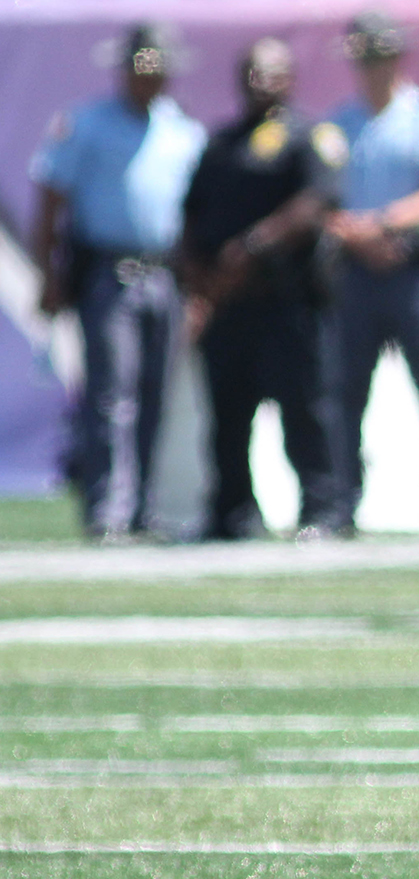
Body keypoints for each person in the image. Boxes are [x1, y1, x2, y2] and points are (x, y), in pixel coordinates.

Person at [28, 22, 206, 542]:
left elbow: (193, 214)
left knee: (154, 394)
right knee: (112, 394)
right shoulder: (86, 124)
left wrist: (196, 284)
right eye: (141, 68)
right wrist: (48, 273)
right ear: (123, 70)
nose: (149, 78)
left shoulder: (182, 130)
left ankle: (144, 506)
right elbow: (51, 198)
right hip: (109, 270)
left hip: (165, 273)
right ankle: (108, 507)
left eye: (158, 69)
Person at [179, 39, 345, 541]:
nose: (260, 81)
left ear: (290, 78)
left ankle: (321, 508)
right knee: (228, 416)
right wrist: (198, 273)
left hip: (286, 301)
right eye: (252, 71)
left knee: (304, 410)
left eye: (271, 72)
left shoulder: (309, 135)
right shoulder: (221, 143)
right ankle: (230, 512)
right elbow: (191, 212)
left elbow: (318, 201)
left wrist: (253, 247)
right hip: (230, 304)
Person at [321, 10, 419, 534]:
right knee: (347, 392)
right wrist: (358, 236)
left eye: (382, 55)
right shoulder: (339, 126)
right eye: (366, 57)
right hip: (357, 274)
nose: (375, 67)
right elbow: (321, 201)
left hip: (414, 271)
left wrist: (388, 223)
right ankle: (343, 497)